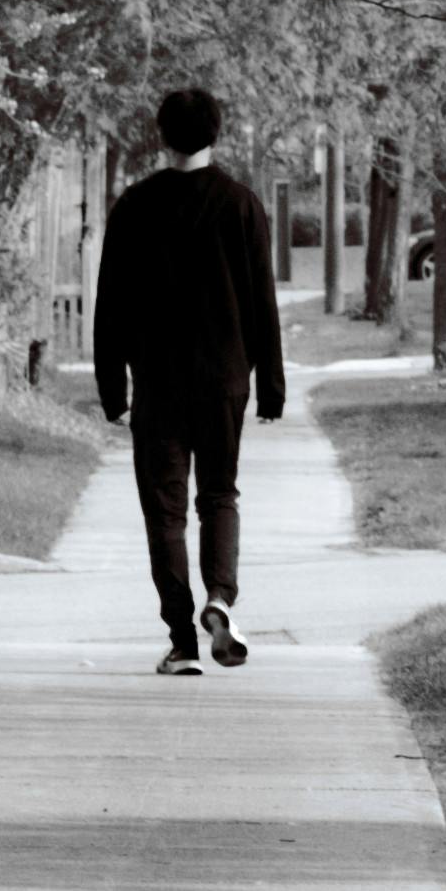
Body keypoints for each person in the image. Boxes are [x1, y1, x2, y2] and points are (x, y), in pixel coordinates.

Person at [92, 85, 287, 675]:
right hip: (226, 379)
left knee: (166, 512)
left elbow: (111, 306)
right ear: (216, 132)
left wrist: (112, 390)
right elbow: (262, 302)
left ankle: (182, 642)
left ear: (162, 134)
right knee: (220, 495)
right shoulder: (242, 204)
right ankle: (220, 598)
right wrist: (271, 386)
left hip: (159, 384)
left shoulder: (134, 206)